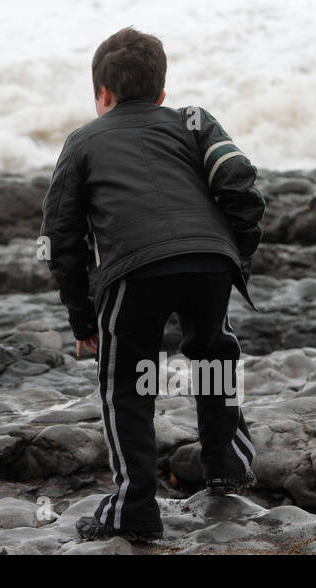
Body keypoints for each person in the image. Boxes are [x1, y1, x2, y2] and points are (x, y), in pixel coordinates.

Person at [39, 27, 266, 542]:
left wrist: (82, 317)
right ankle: (226, 466)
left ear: (102, 94)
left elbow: (60, 238)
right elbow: (239, 183)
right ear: (162, 93)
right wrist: (234, 254)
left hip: (133, 269)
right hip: (208, 261)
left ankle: (135, 510)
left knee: (127, 385)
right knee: (213, 353)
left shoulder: (81, 142)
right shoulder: (195, 121)